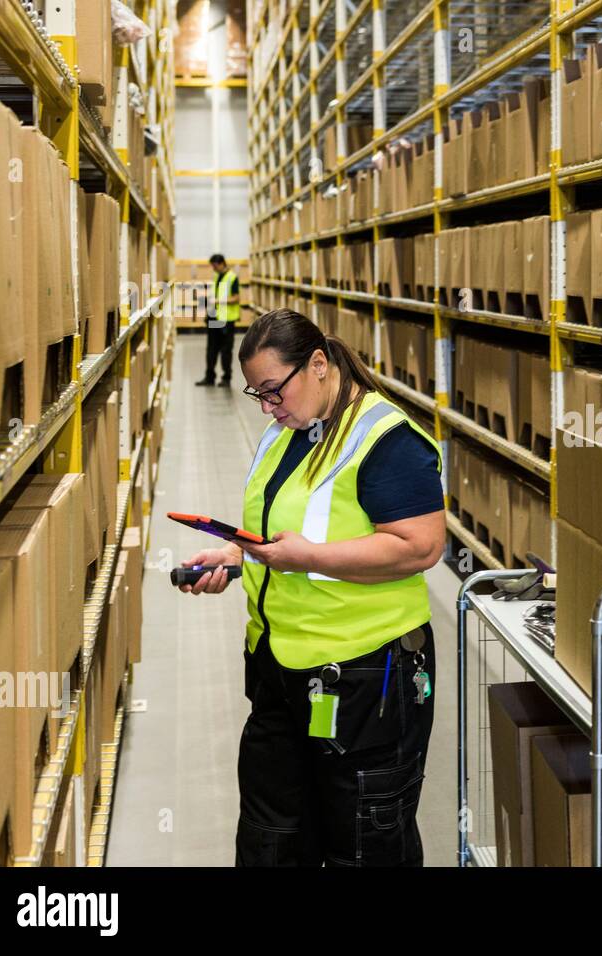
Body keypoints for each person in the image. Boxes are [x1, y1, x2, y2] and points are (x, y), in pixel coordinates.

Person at [177, 308, 447, 866]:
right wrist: (233, 555)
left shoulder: (384, 437)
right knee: (271, 839)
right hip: (278, 675)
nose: (269, 408)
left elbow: (421, 546)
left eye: (274, 390)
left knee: (364, 845)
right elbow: (281, 527)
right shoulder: (286, 432)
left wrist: (309, 557)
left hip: (365, 681)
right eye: (258, 396)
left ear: (318, 364)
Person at [197, 253, 241, 387]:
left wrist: (219, 301)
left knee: (226, 350)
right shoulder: (217, 276)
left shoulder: (232, 277)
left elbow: (236, 298)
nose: (213, 268)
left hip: (226, 321)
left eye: (215, 265)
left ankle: (226, 378)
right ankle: (209, 377)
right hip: (214, 317)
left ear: (222, 263)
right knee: (211, 348)